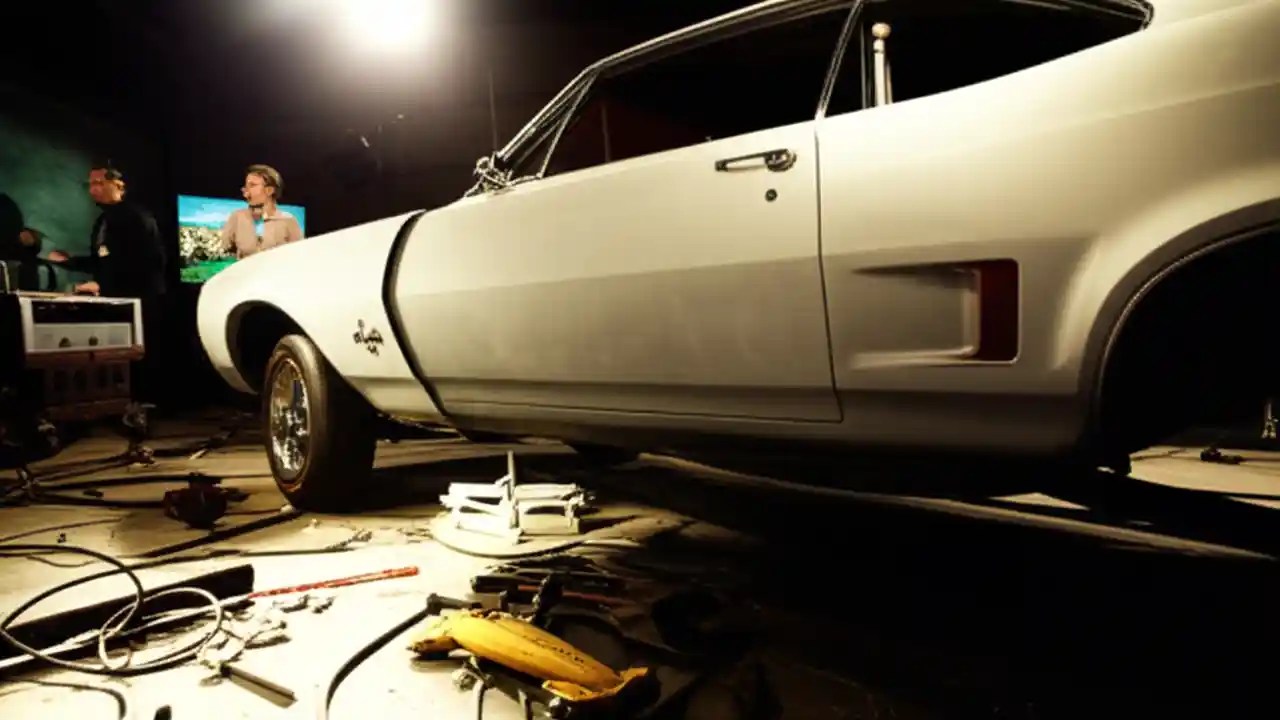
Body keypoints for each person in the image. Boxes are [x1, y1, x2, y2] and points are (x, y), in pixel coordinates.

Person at [46, 163, 168, 410]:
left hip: (140, 300)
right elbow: (103, 259)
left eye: (100, 183)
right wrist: (69, 262)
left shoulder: (136, 217)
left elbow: (148, 260)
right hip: (117, 300)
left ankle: (145, 406)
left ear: (119, 186)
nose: (93, 189)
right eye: (90, 184)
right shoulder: (103, 220)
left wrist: (103, 282)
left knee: (141, 356)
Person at [219, 164, 303, 259]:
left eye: (252, 185)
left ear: (269, 190)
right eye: (245, 187)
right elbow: (225, 248)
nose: (246, 192)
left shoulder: (288, 221)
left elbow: (298, 257)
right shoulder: (237, 217)